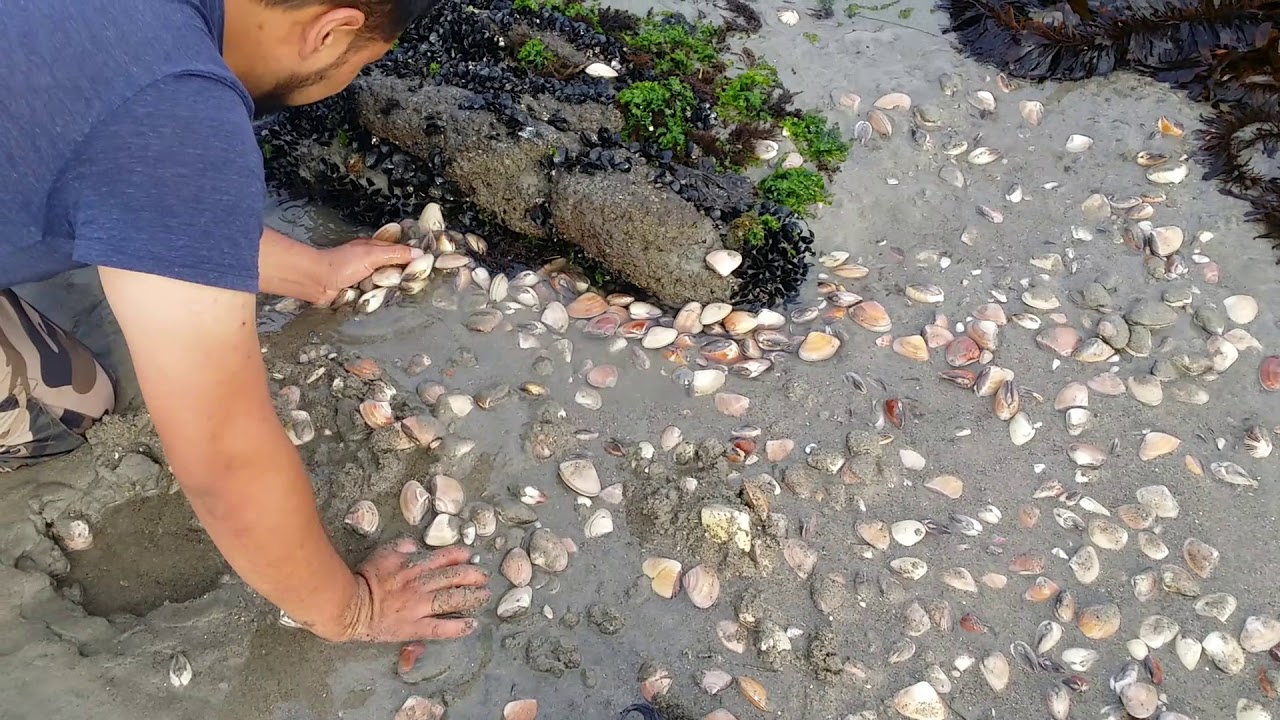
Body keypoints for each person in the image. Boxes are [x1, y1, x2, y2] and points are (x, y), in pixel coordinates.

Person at [0, 0, 491, 644]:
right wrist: (352, 611)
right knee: (68, 405)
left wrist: (315, 273)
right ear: (331, 30)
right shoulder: (175, 106)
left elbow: (146, 184)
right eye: (362, 63)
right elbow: (223, 454)